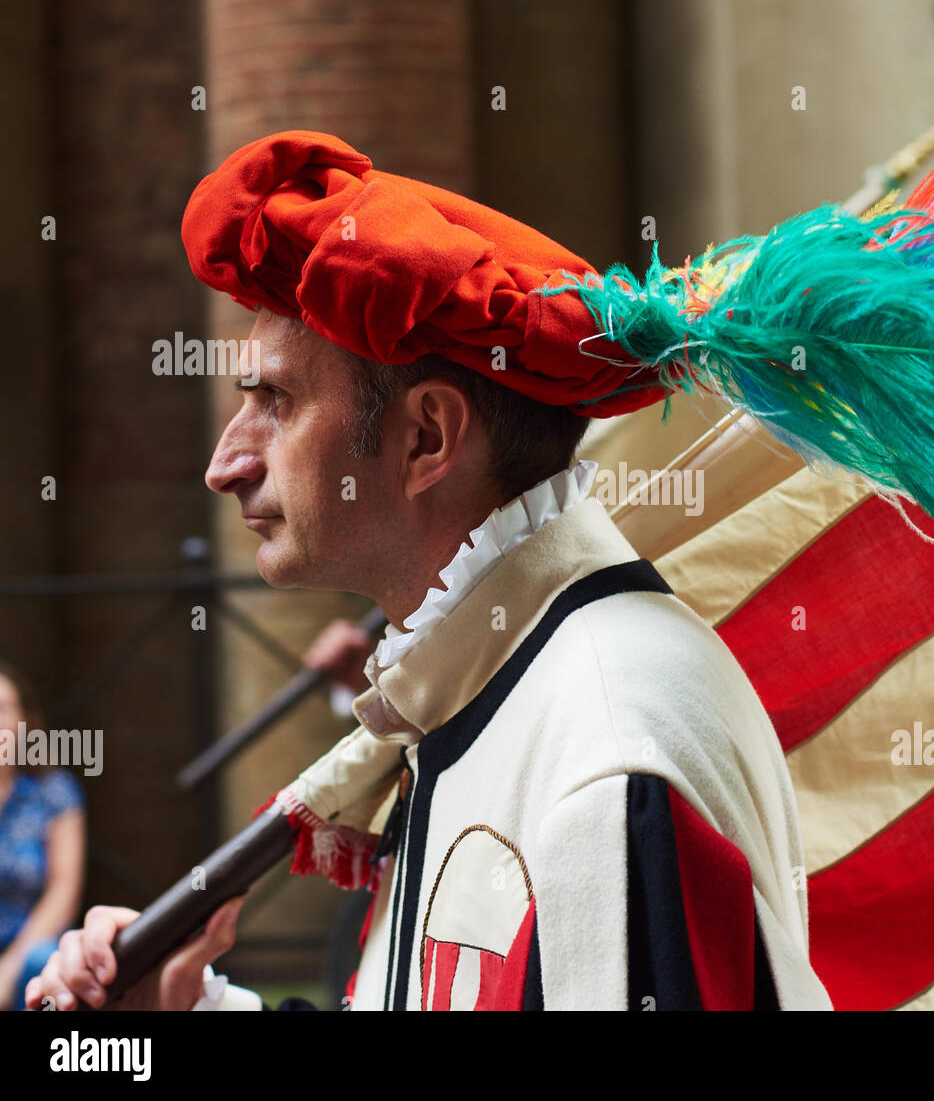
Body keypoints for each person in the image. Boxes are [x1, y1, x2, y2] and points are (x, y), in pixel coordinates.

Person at [27, 131, 832, 1010]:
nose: (226, 464)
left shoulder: (609, 752)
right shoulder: (492, 683)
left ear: (426, 439)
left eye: (276, 402)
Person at [0, 662, 85, 1010]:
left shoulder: (53, 792)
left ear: (24, 722)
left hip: (30, 947)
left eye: (2, 709)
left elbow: (63, 891)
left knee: (43, 963)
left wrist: (8, 970)